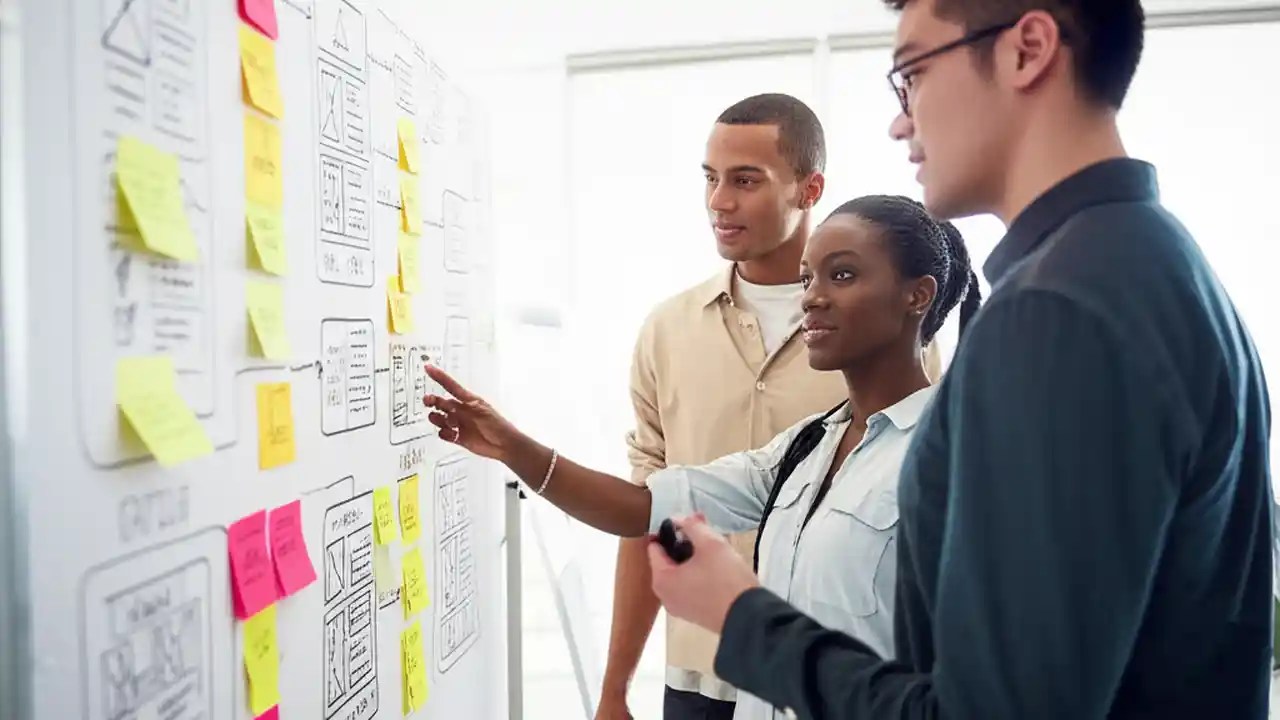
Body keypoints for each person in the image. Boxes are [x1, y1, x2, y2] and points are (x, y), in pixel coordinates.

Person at [644, 1, 1275, 719]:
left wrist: (742, 616)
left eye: (911, 74)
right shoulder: (1160, 263)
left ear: (1027, 49)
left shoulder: (1057, 313)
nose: (900, 120)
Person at [422, 194, 982, 720]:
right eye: (809, 278)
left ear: (918, 295)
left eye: (842, 274)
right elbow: (642, 506)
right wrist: (514, 449)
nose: (810, 295)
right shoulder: (808, 446)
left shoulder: (951, 459)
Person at [604, 93, 846, 720]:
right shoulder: (667, 331)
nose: (719, 201)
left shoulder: (880, 337)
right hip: (698, 678)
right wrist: (614, 687)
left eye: (745, 180)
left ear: (809, 187)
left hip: (829, 680)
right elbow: (646, 517)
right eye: (711, 179)